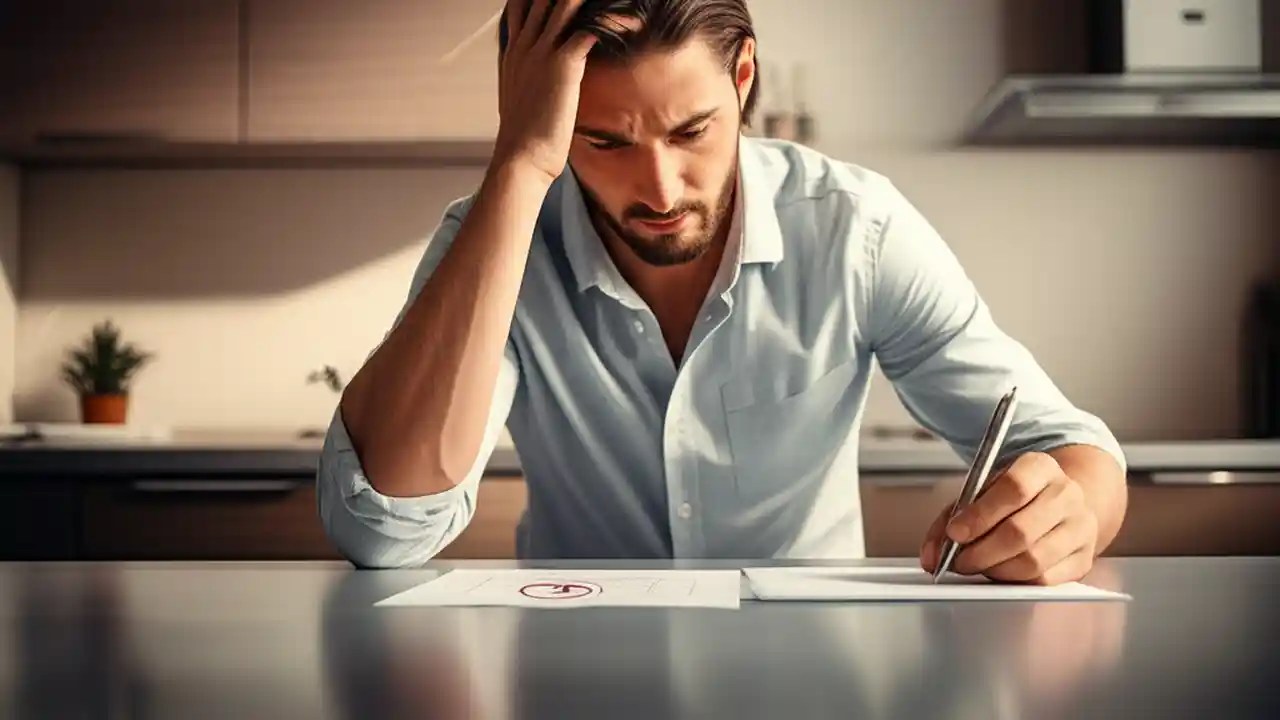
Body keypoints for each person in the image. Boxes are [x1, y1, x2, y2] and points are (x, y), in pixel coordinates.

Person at [317, 0, 1128, 584]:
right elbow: (382, 530)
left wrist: (1071, 514)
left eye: (691, 131)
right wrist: (521, 163)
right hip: (578, 676)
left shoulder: (856, 228)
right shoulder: (501, 237)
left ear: (743, 77)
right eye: (603, 141)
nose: (661, 189)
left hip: (815, 681)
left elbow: (1071, 448)